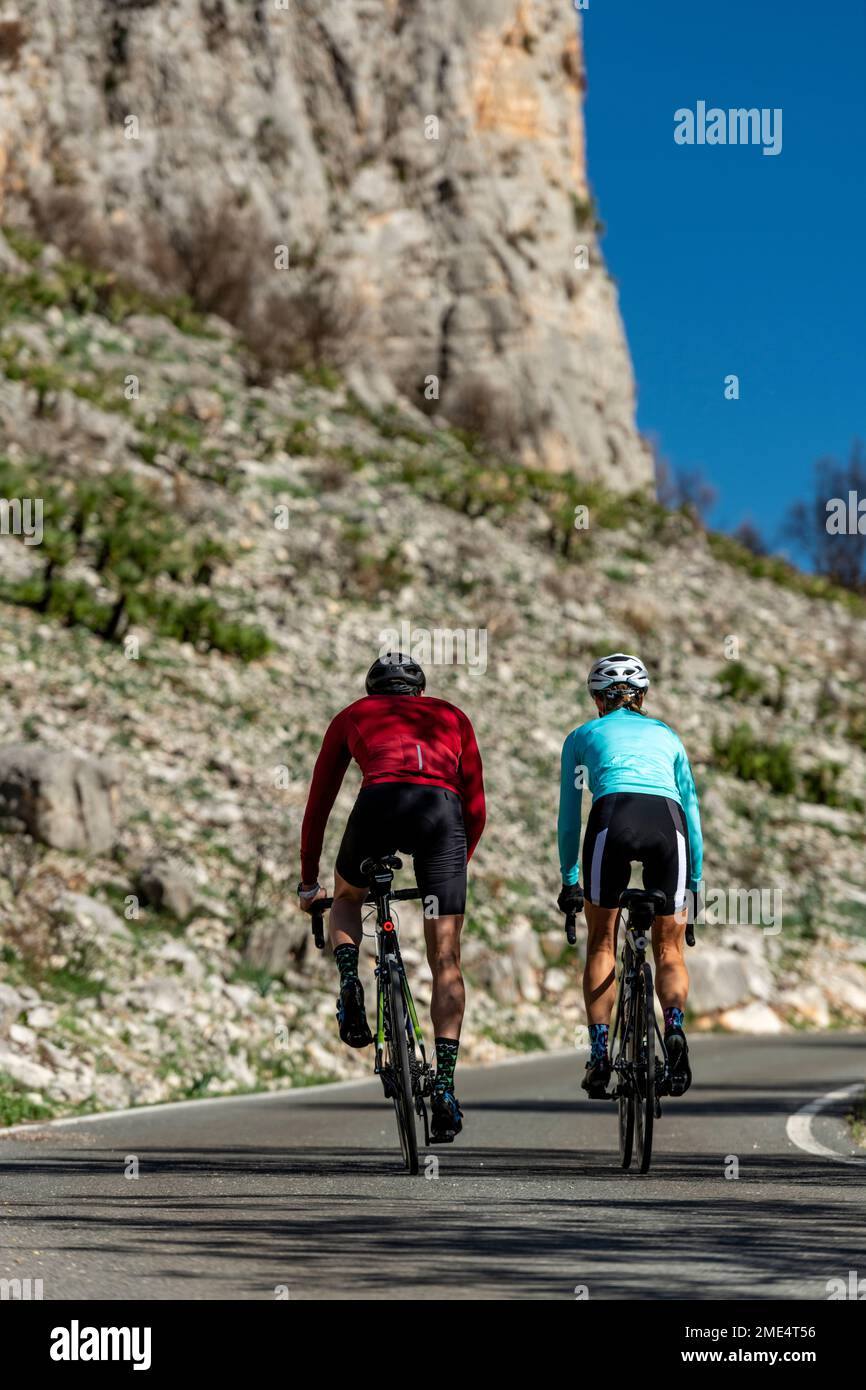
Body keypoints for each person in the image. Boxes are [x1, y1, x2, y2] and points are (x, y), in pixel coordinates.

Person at [298, 653, 486, 1142]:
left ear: (372, 690)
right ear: (418, 692)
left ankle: (349, 984)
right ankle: (444, 1087)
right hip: (441, 815)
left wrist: (306, 881)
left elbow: (320, 801)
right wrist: (450, 873)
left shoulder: (352, 715)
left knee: (346, 896)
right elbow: (477, 805)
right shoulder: (453, 715)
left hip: (379, 803)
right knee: (446, 957)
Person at [557, 653, 703, 1098]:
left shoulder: (582, 736)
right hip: (667, 822)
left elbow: (568, 815)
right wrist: (694, 883)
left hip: (611, 817)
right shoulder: (668, 736)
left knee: (602, 940)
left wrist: (570, 880)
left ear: (598, 699)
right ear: (642, 696)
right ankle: (674, 1028)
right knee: (668, 948)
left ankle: (599, 1054)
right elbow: (692, 813)